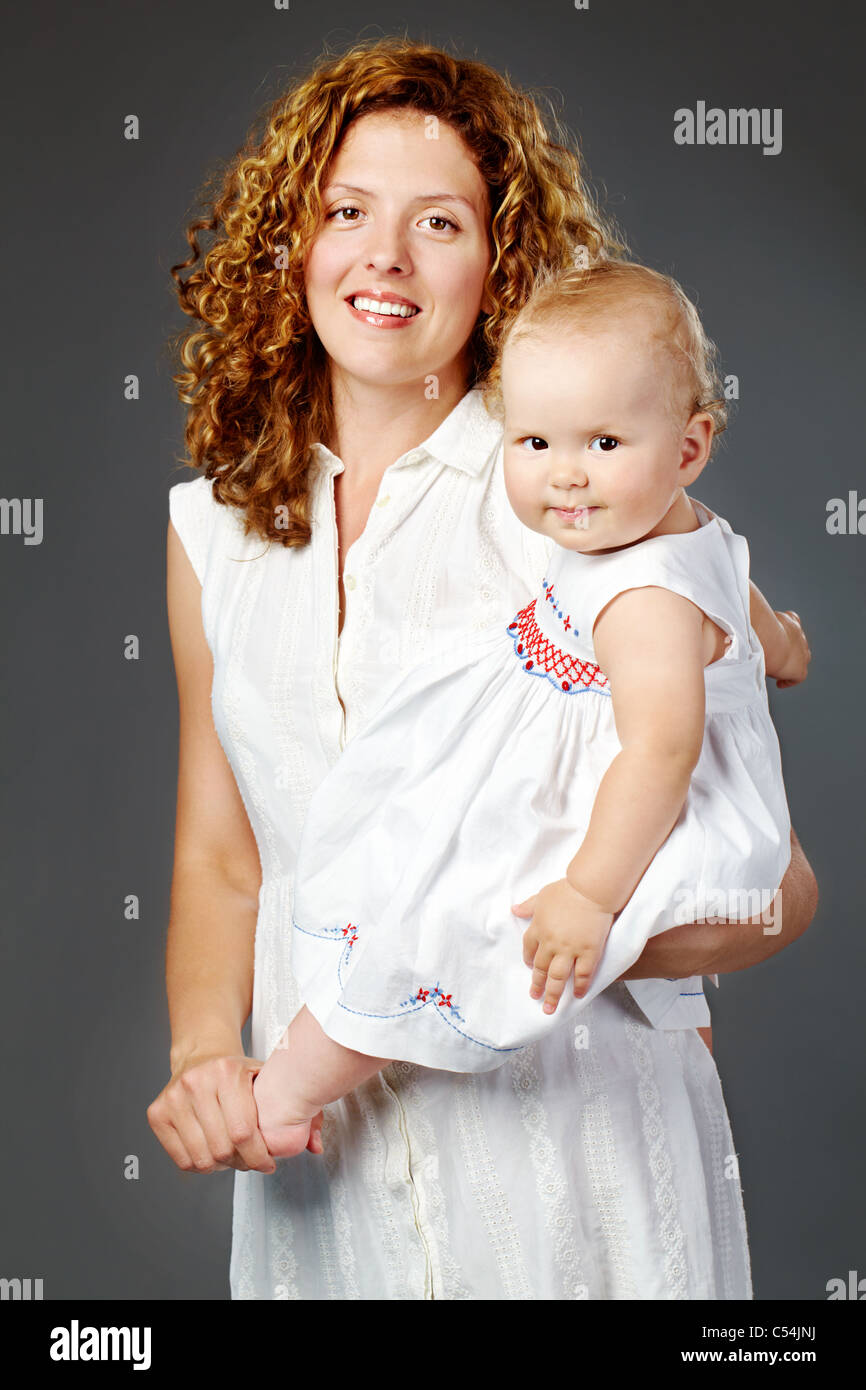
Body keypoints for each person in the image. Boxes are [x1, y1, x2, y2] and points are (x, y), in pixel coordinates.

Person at [147, 37, 818, 1300]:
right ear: (292, 242)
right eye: (346, 212)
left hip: (567, 1160)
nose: (383, 258)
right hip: (319, 1182)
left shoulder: (575, 498)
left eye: (437, 222)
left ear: (500, 261)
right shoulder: (213, 530)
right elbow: (224, 855)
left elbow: (769, 886)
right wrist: (204, 1056)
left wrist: (515, 947)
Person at [251, 258, 805, 1155]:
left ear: (689, 448)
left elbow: (660, 752)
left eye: (604, 444)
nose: (567, 478)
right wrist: (785, 646)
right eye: (535, 444)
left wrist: (587, 894)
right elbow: (739, 595)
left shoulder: (644, 603)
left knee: (444, 909)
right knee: (417, 855)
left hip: (616, 795)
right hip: (569, 741)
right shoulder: (688, 526)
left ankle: (293, 1084)